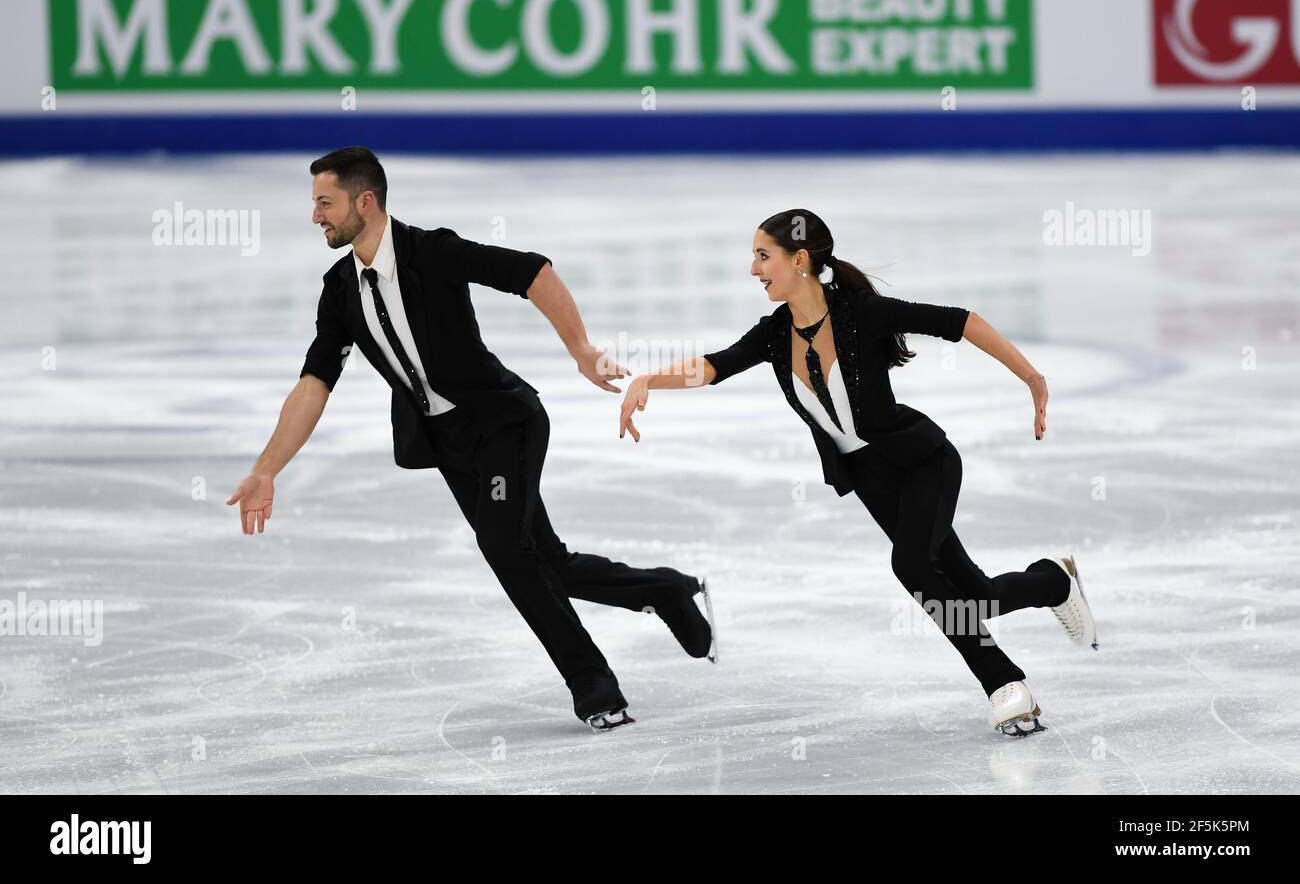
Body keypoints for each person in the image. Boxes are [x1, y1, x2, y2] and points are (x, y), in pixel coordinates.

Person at [228, 146, 715, 732]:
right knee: (545, 562)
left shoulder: (432, 252)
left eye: (325, 203)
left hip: (504, 424)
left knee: (507, 551)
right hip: (447, 444)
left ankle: (596, 689)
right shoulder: (339, 291)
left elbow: (532, 273)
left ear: (366, 201)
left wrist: (581, 349)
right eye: (314, 205)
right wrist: (267, 467)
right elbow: (314, 383)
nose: (316, 217)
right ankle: (665, 590)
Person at [618, 208, 1098, 737]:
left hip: (923, 464)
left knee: (912, 568)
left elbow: (959, 321)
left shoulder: (862, 313)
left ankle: (1004, 684)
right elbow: (714, 365)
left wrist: (1031, 377)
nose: (753, 270)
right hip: (870, 481)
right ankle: (1054, 580)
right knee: (971, 593)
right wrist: (649, 381)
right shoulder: (775, 335)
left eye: (762, 256)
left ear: (799, 259)